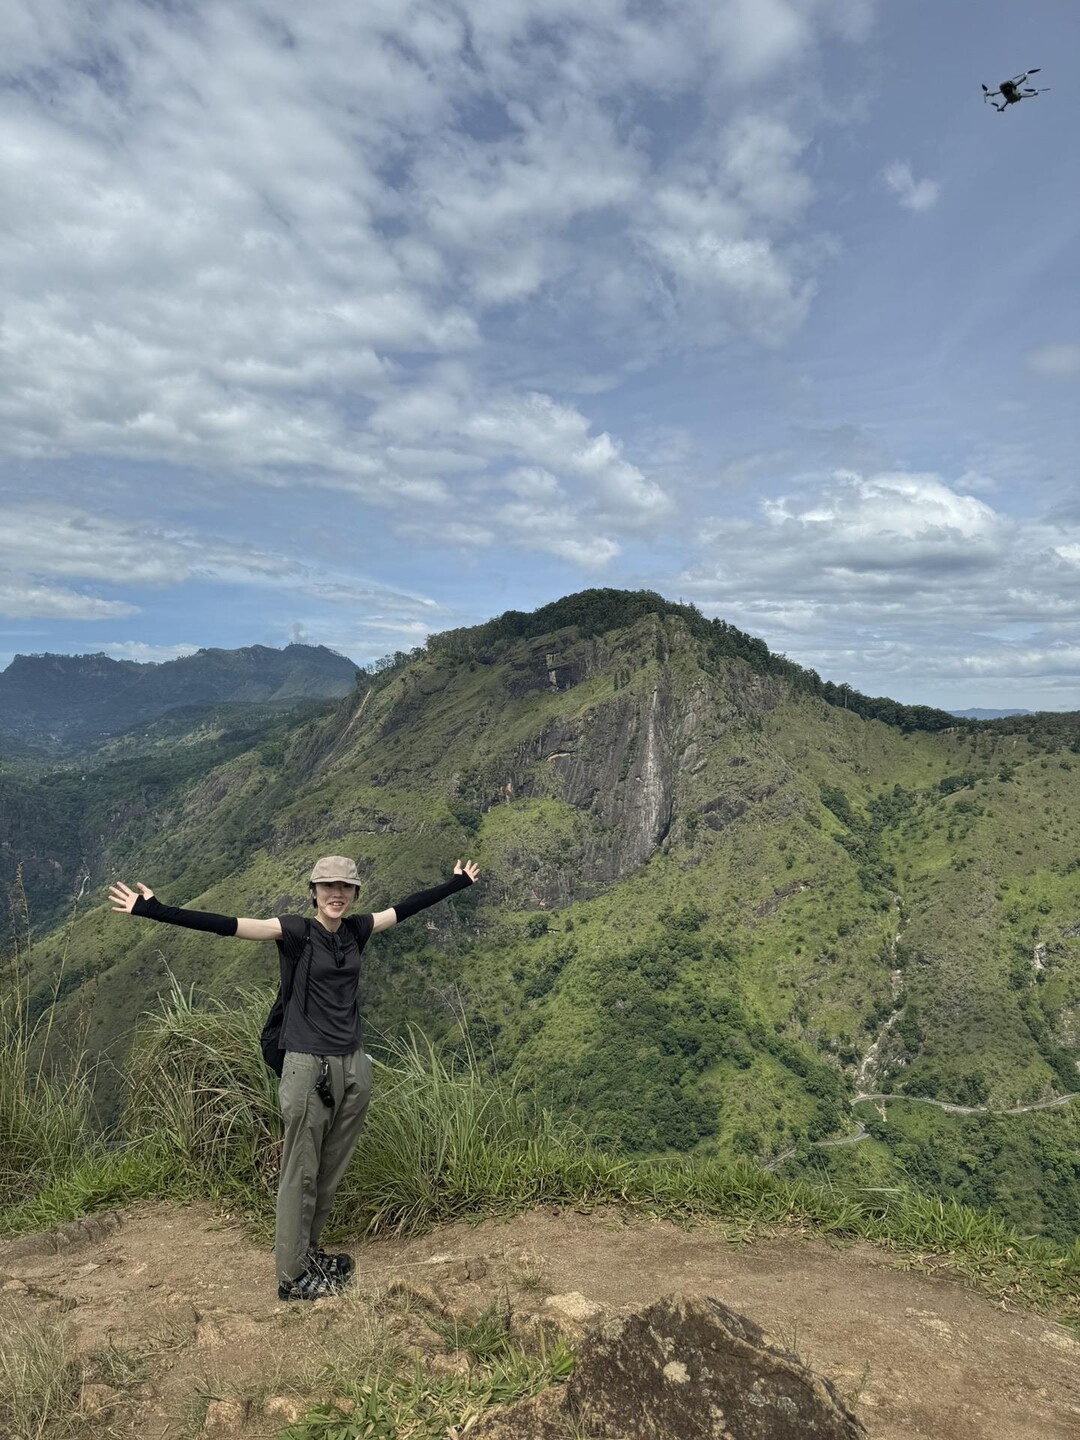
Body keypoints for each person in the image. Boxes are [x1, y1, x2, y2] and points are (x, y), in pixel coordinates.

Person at [110, 854, 479, 1301]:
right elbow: (228, 925)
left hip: (353, 1066)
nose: (336, 894)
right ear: (313, 892)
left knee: (329, 1166)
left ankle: (309, 1252)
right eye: (327, 887)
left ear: (355, 893)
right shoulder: (295, 933)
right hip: (308, 1066)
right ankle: (291, 1276)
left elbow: (407, 906)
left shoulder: (358, 930)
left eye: (345, 887)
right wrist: (154, 909)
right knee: (299, 1171)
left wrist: (457, 883)